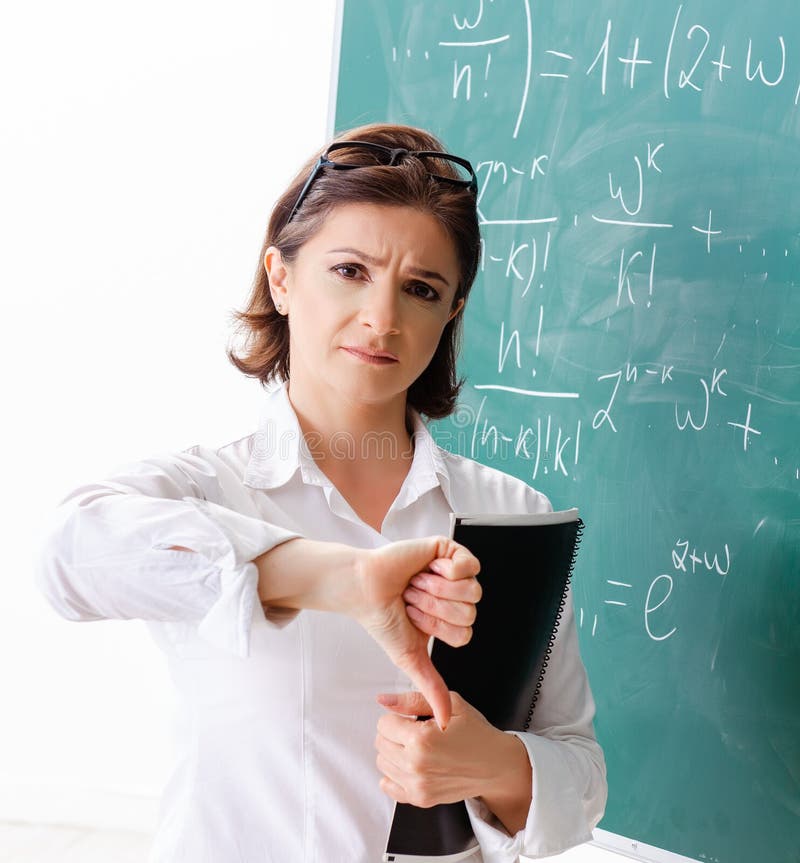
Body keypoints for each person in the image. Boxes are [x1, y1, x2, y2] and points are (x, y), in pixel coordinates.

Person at [35, 122, 607, 863]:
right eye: (349, 271)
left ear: (451, 312)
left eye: (421, 288)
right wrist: (339, 579)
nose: (382, 317)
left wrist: (492, 763)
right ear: (280, 277)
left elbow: (581, 768)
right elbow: (65, 557)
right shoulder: (210, 487)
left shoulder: (512, 517)